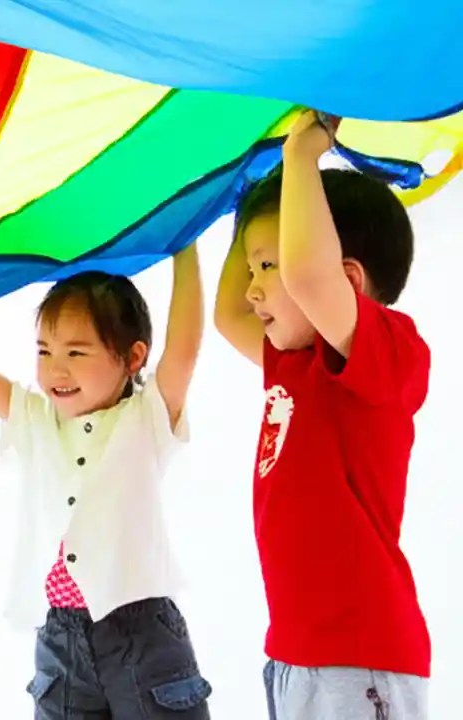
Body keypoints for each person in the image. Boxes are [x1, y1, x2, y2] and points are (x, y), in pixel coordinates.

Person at [214, 110, 430, 719]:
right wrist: (252, 198)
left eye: (267, 265)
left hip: (358, 656)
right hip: (295, 656)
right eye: (254, 267)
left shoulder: (388, 353)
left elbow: (310, 275)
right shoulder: (293, 365)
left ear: (349, 280)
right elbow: (231, 313)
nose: (253, 289)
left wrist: (301, 159)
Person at [0, 243, 210, 718]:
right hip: (60, 636)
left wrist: (184, 247)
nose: (55, 369)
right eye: (45, 351)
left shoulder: (146, 418)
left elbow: (185, 349)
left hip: (141, 627)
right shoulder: (34, 419)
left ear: (133, 358)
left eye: (76, 351)